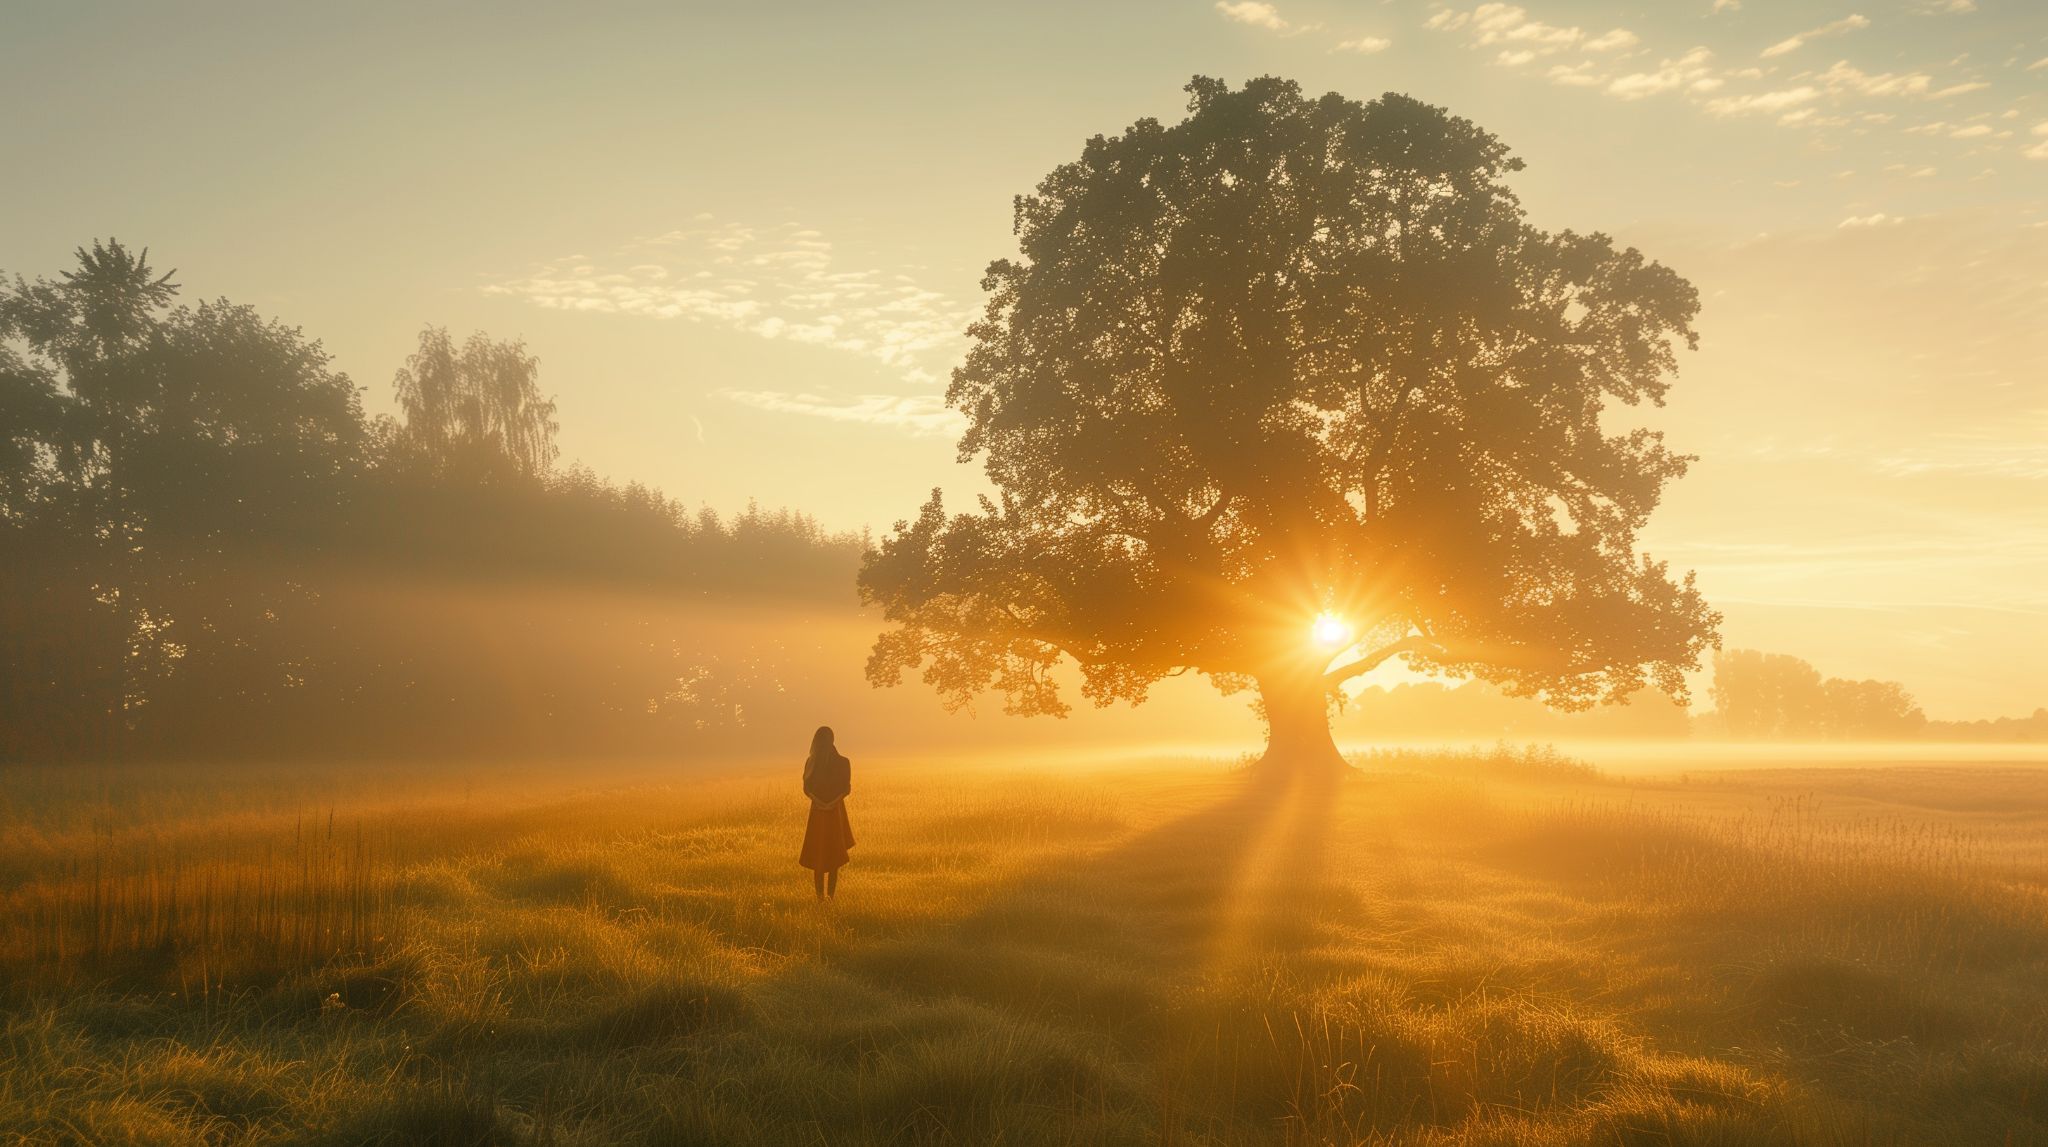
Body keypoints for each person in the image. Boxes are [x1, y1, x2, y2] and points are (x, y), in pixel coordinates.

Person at [798, 725, 854, 899]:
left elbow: (806, 789)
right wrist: (831, 804)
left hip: (818, 813)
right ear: (833, 740)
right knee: (834, 854)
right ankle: (830, 897)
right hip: (835, 812)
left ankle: (819, 898)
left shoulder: (811, 761)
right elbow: (846, 789)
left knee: (818, 854)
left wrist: (820, 803)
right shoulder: (844, 761)